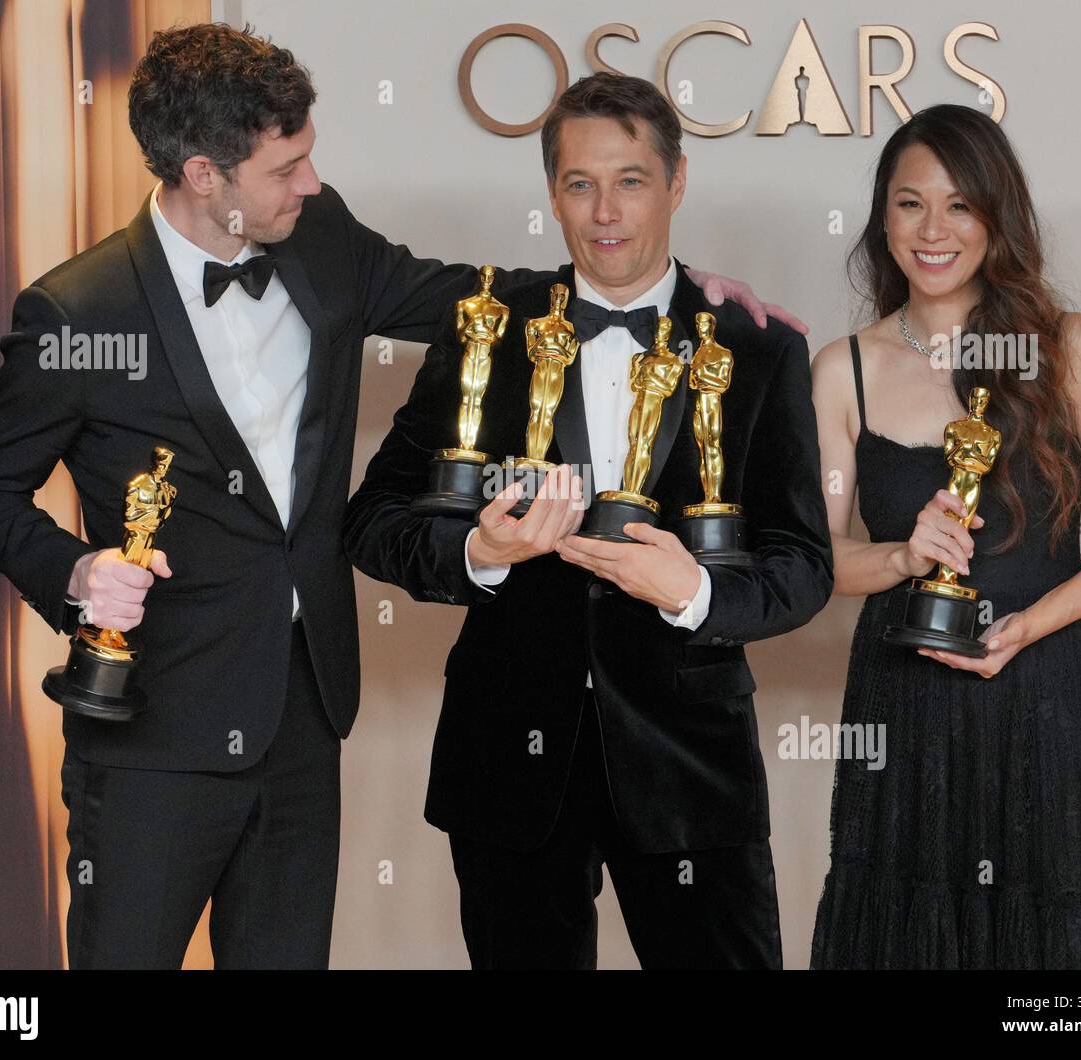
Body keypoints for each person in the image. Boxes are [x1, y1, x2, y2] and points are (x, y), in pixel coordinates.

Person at [0, 24, 800, 969]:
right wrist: (75, 572)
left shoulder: (321, 240)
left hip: (306, 721)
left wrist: (680, 302)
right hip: (156, 725)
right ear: (202, 174)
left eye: (309, 159)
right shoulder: (78, 311)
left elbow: (476, 301)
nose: (311, 183)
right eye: (287, 167)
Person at [342, 72, 833, 969]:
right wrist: (477, 555)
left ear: (677, 183)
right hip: (505, 766)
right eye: (580, 183)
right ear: (552, 193)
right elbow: (371, 520)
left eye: (632, 180)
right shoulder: (484, 331)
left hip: (691, 772)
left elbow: (804, 564)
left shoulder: (759, 347)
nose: (605, 211)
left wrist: (695, 594)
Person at [808, 103, 1081, 968]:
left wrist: (1032, 626)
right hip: (907, 704)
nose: (933, 230)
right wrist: (905, 555)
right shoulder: (843, 370)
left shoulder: (1068, 348)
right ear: (883, 217)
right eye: (910, 204)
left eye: (959, 206)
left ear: (996, 216)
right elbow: (819, 559)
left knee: (1063, 958)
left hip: (1053, 687)